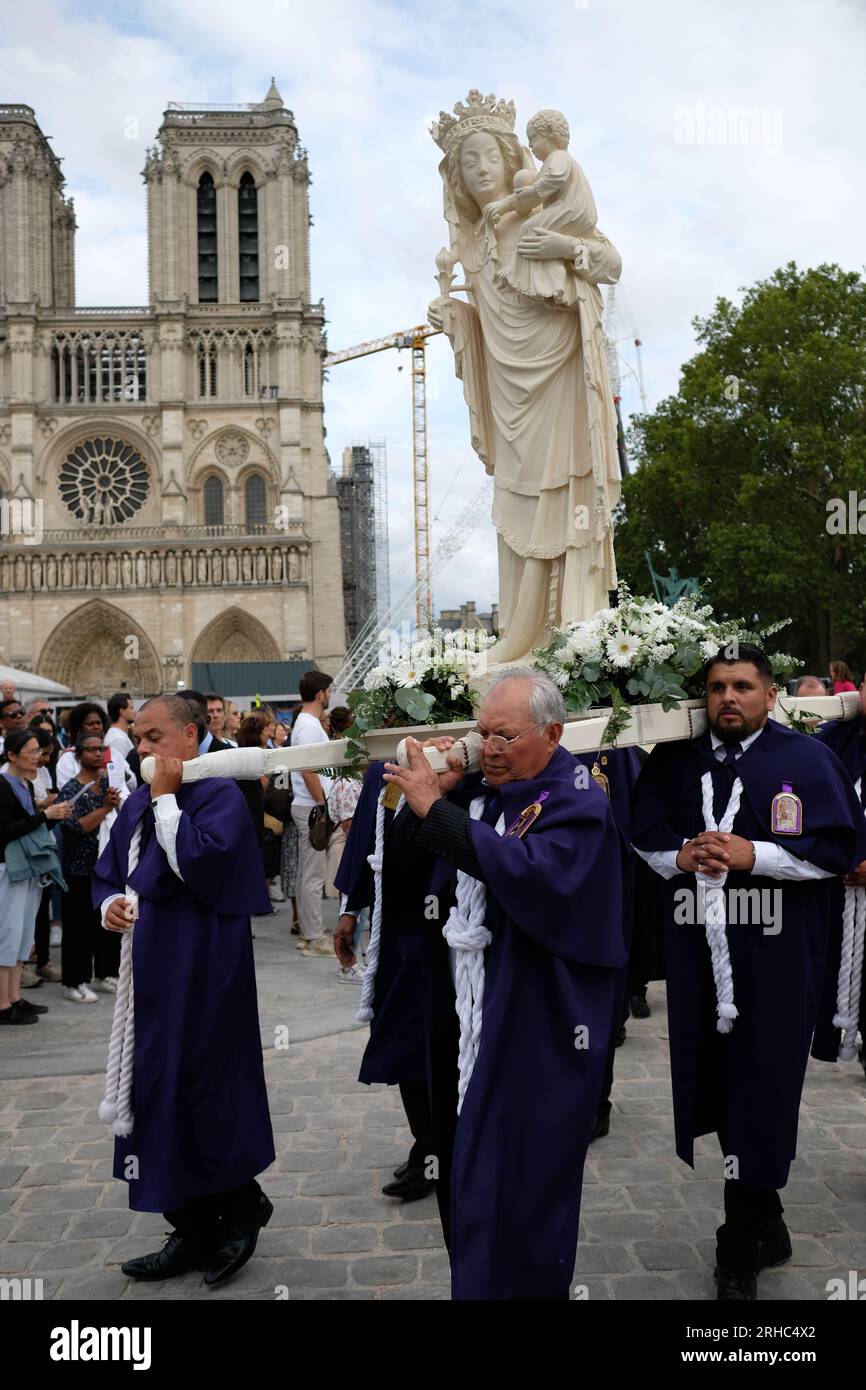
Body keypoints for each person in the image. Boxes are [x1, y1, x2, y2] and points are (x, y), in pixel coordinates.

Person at [631, 644, 866, 1301]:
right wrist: (682, 854)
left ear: (770, 694)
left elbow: (834, 851)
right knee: (722, 1084)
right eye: (715, 688)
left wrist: (752, 853)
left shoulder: (806, 760)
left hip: (779, 957)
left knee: (762, 1089)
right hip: (700, 953)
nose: (727, 698)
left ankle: (735, 1254)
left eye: (742, 686)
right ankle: (767, 1218)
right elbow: (644, 834)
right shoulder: (677, 761)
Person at [381, 669, 625, 1299]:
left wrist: (437, 808)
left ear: (552, 733)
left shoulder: (576, 800)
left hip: (537, 1020)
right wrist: (436, 797)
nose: (487, 747)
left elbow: (531, 875)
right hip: (467, 1012)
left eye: (504, 736)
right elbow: (414, 869)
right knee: (465, 1170)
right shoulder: (483, 793)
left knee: (523, 1175)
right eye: (481, 732)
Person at [92, 694, 275, 1286]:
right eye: (137, 737)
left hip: (205, 971)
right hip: (151, 975)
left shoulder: (218, 793)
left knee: (205, 1086)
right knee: (156, 1093)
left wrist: (168, 800)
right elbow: (111, 871)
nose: (141, 748)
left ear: (190, 735)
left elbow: (201, 864)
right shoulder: (141, 800)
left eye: (152, 737)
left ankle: (239, 1211)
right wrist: (109, 906)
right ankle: (191, 1224)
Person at [335, 764, 438, 1202]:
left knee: (446, 1041)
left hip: (452, 926)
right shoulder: (384, 770)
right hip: (396, 927)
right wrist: (349, 910)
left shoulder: (469, 756)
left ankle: (446, 1146)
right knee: (402, 1035)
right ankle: (429, 1143)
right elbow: (365, 841)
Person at [483, 109, 600, 307]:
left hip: (572, 211)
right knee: (531, 230)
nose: (530, 144)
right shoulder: (555, 162)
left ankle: (547, 286)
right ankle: (540, 283)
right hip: (574, 215)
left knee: (530, 230)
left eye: (534, 138)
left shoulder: (558, 157)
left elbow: (603, 264)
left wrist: (570, 249)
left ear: (550, 131)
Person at [0, 729, 71, 1024]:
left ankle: (14, 996)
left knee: (22, 934)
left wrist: (46, 814)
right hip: (8, 868)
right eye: (30, 752)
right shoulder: (2, 786)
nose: (37, 757)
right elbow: (5, 831)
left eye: (37, 751)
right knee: (7, 933)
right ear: (12, 755)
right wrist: (45, 816)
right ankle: (3, 1004)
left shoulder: (25, 785)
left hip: (28, 867)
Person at [56, 733, 125, 1002]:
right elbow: (74, 828)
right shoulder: (71, 790)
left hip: (106, 866)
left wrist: (115, 804)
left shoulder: (107, 783)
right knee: (78, 927)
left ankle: (105, 972)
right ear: (78, 755)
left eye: (101, 749)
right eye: (91, 750)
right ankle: (75, 980)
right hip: (79, 868)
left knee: (106, 924)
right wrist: (107, 808)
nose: (97, 754)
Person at [289, 672, 335, 956]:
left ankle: (308, 930)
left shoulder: (307, 723)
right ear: (320, 694)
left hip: (309, 804)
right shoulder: (308, 726)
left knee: (308, 872)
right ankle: (314, 937)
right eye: (329, 691)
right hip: (311, 805)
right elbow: (308, 770)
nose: (330, 695)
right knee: (313, 875)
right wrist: (322, 804)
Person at [56, 703, 136, 794]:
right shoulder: (68, 758)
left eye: (98, 723)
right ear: (79, 728)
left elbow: (133, 785)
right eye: (90, 724)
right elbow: (65, 791)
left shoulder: (114, 753)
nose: (96, 727)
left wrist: (123, 775)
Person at [105, 693, 136, 765]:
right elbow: (119, 769)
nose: (134, 711)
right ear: (122, 712)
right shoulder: (118, 739)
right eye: (131, 708)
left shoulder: (119, 735)